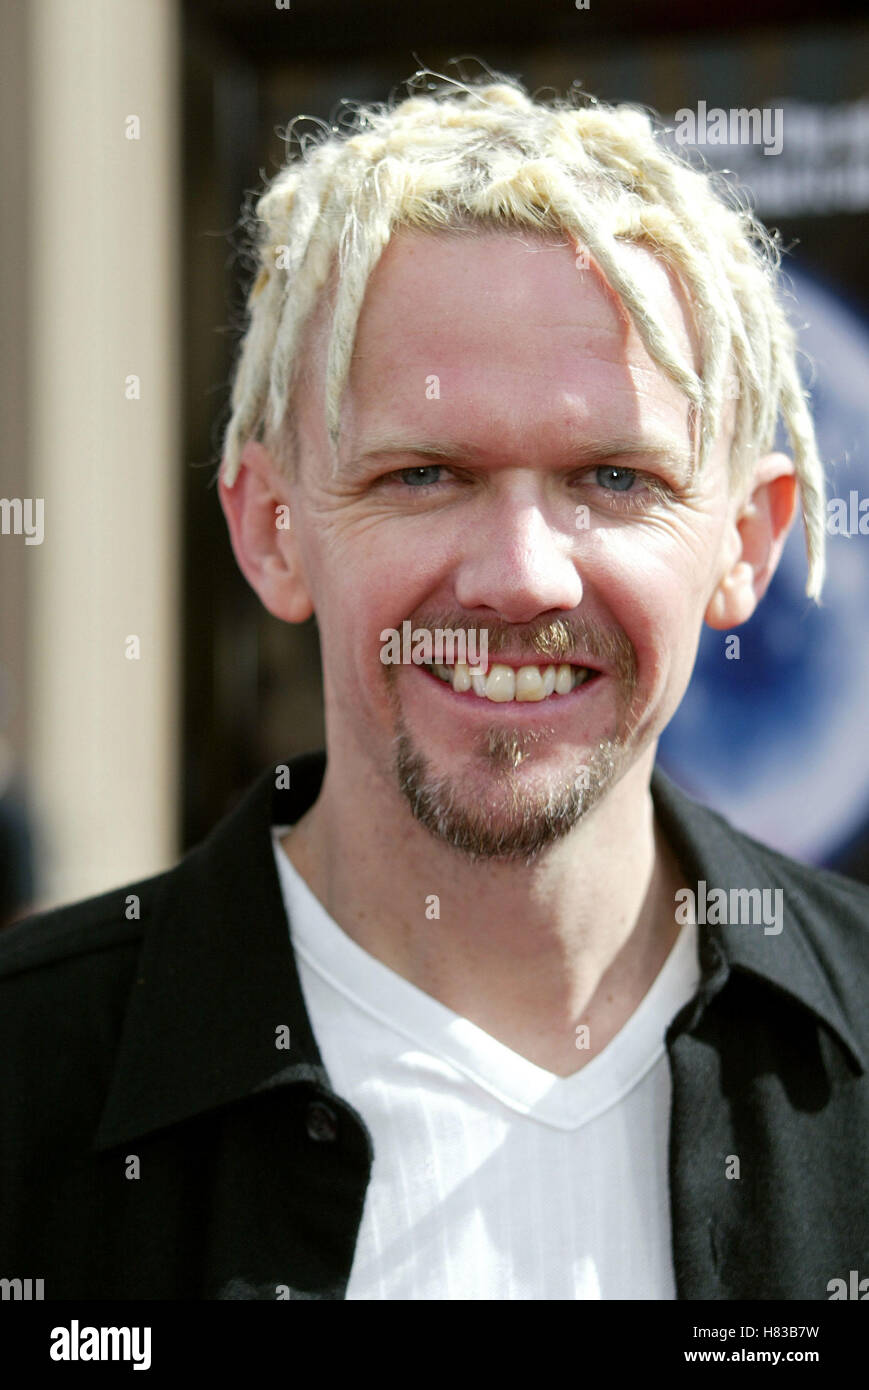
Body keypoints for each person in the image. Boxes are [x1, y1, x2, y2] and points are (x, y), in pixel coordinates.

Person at [1, 71, 867, 1302]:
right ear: (270, 528)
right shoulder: (29, 1082)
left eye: (613, 479)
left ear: (743, 541)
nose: (519, 577)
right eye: (422, 475)